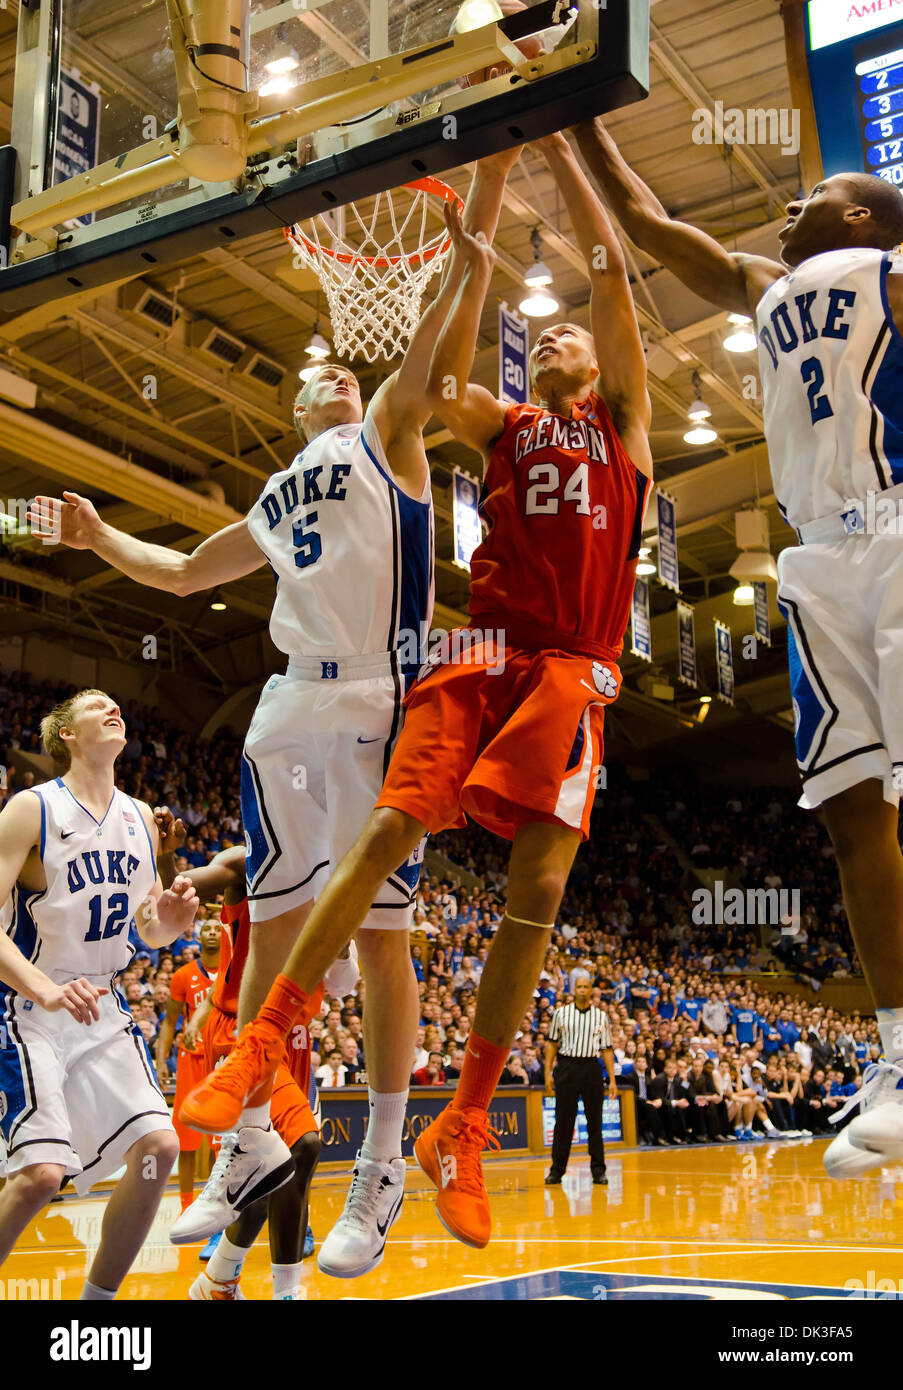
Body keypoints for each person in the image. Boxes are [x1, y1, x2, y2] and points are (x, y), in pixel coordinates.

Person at [32, 152, 524, 1276]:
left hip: (375, 692)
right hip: (283, 709)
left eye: (341, 371)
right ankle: (248, 1143)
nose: (333, 377)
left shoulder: (392, 428)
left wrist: (483, 196)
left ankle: (388, 1160)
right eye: (313, 379)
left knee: (388, 939)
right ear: (292, 410)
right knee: (268, 925)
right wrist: (101, 537)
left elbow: (449, 311)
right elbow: (182, 576)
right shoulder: (271, 493)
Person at [178, 126, 653, 1259]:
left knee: (539, 877)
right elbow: (438, 385)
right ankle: (265, 1041)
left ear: (598, 367)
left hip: (569, 664)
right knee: (390, 828)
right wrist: (473, 240)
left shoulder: (622, 430)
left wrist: (566, 128)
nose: (556, 335)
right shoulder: (508, 423)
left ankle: (468, 1120)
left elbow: (614, 270)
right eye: (539, 335)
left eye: (569, 332)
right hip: (482, 646)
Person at [574, 117, 903, 1182]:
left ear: (861, 213)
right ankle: (899, 1063)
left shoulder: (896, 264)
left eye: (812, 194)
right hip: (817, 562)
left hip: (900, 526)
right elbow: (642, 217)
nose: (787, 202)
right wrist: (577, 109)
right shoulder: (764, 283)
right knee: (854, 807)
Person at [0, 690, 198, 1298]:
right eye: (97, 705)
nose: (114, 709)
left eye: (117, 706)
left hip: (103, 1003)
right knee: (38, 1177)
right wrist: (43, 989)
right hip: (29, 1002)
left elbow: (146, 930)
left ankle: (94, 1311)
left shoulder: (141, 818)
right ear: (66, 734)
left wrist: (168, 918)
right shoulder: (30, 810)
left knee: (160, 1146)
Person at [159, 839, 358, 1299]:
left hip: (296, 1035)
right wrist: (168, 856)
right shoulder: (243, 862)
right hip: (242, 1026)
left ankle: (219, 1279)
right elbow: (178, 888)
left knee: (277, 1168)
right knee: (302, 1145)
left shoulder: (335, 877)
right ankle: (285, 1290)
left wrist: (343, 931)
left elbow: (344, 986)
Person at [156, 913, 222, 1215]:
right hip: (191, 1060)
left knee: (218, 1139)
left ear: (224, 936)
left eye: (215, 928)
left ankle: (211, 1202)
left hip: (221, 1059)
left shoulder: (233, 972)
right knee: (186, 1138)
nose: (210, 933)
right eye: (205, 928)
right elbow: (169, 1022)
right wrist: (161, 1062)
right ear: (197, 936)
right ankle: (185, 1205)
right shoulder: (183, 975)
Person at [544, 976, 618, 1185]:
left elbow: (606, 1049)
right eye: (579, 987)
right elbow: (551, 1044)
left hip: (591, 1068)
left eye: (586, 987)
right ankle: (557, 1170)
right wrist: (548, 1072)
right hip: (567, 1067)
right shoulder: (561, 1014)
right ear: (574, 989)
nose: (583, 990)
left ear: (591, 990)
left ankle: (598, 1171)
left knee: (595, 1122)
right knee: (563, 1123)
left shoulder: (600, 1016)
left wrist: (612, 1079)